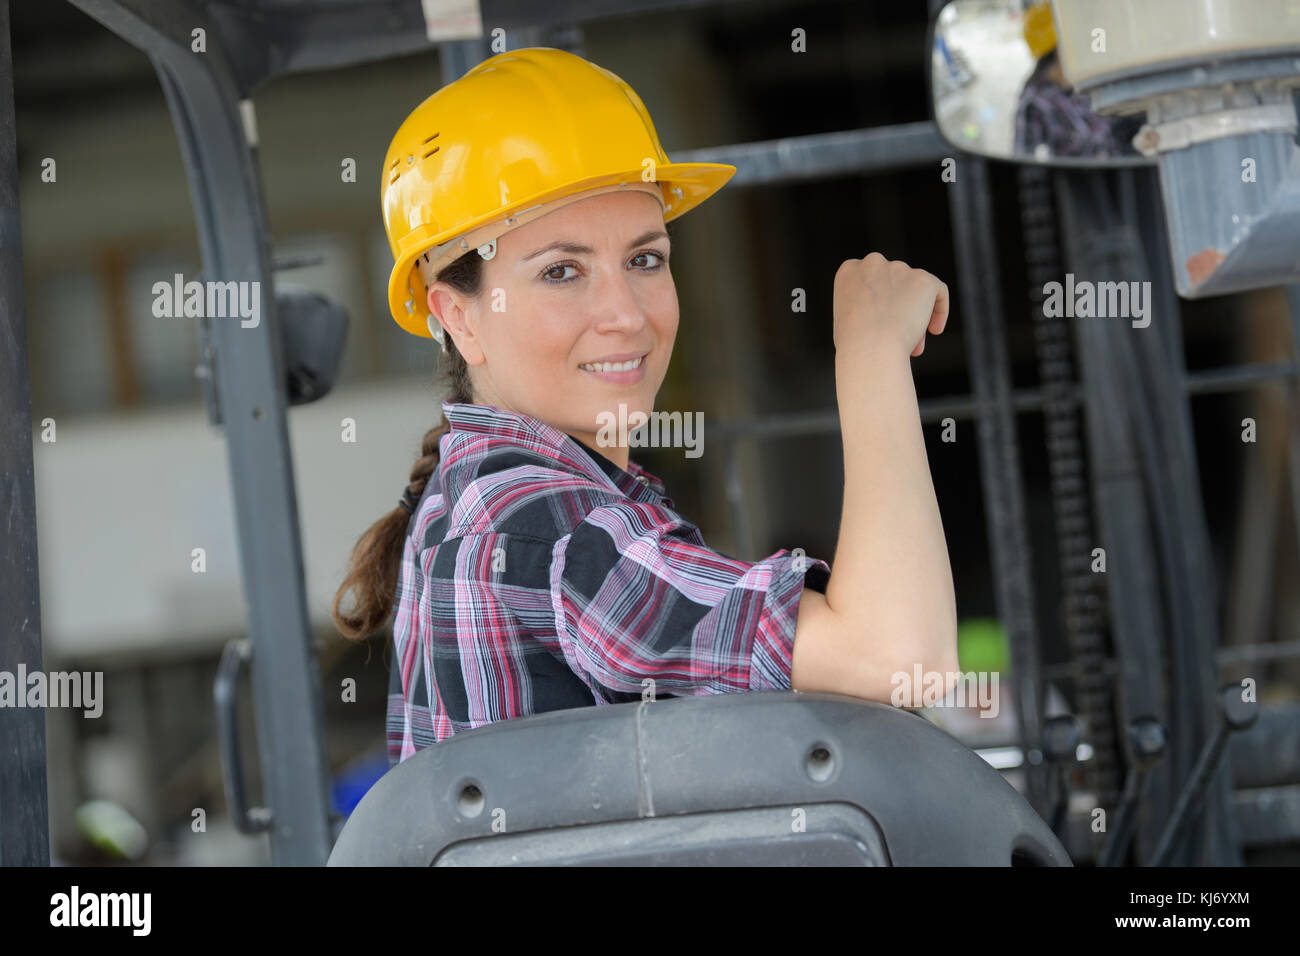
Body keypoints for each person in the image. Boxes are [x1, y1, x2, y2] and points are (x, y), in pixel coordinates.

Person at [331, 47, 958, 766]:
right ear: (459, 317)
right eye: (561, 272)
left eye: (644, 260)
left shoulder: (483, 500)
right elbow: (902, 660)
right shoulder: (546, 529)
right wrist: (873, 356)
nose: (625, 314)